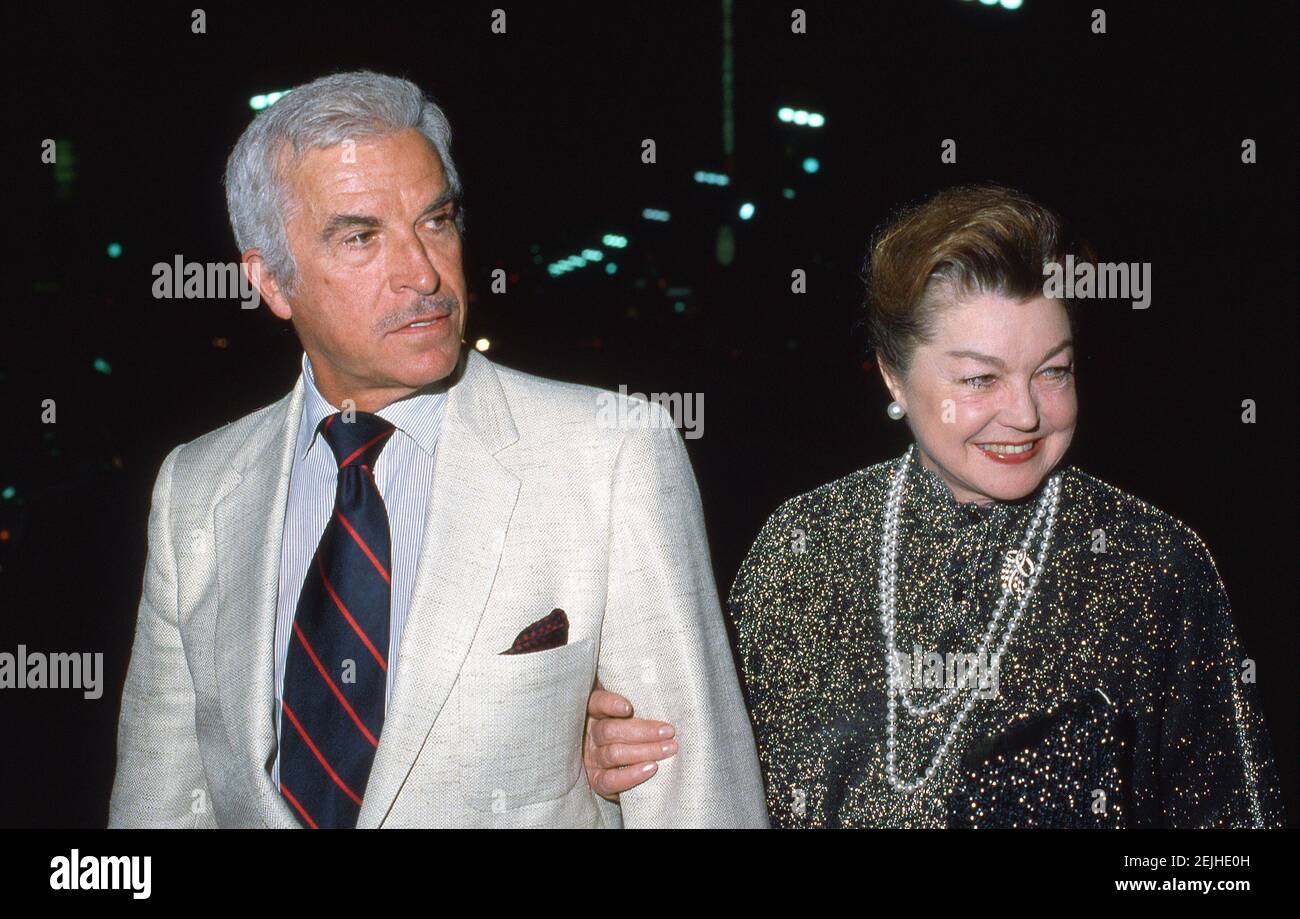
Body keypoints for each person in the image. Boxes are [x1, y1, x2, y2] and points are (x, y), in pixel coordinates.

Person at [106, 70, 766, 829]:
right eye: (360, 237)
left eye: (438, 221)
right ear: (270, 281)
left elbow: (698, 797)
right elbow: (160, 808)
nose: (423, 273)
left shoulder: (613, 456)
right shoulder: (195, 490)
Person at [591, 184, 1286, 828]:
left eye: (1054, 370)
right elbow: (707, 770)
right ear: (894, 374)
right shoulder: (801, 547)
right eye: (980, 378)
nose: (1025, 413)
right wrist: (607, 760)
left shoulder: (1153, 566)